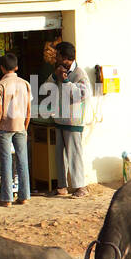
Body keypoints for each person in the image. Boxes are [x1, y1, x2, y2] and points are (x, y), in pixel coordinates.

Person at [50, 41, 93, 198]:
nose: (56, 58)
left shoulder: (80, 74)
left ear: (65, 57)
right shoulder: (59, 71)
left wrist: (66, 82)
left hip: (73, 120)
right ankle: (62, 186)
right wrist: (56, 76)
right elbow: (48, 85)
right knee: (60, 156)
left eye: (58, 55)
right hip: (60, 119)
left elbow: (81, 95)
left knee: (74, 155)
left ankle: (80, 186)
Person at [0, 53, 32, 207]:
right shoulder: (25, 84)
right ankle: (24, 196)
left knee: (6, 161)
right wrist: (25, 127)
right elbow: (28, 110)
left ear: (2, 68)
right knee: (22, 161)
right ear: (16, 67)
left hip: (5, 127)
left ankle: (6, 198)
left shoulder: (0, 85)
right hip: (21, 125)